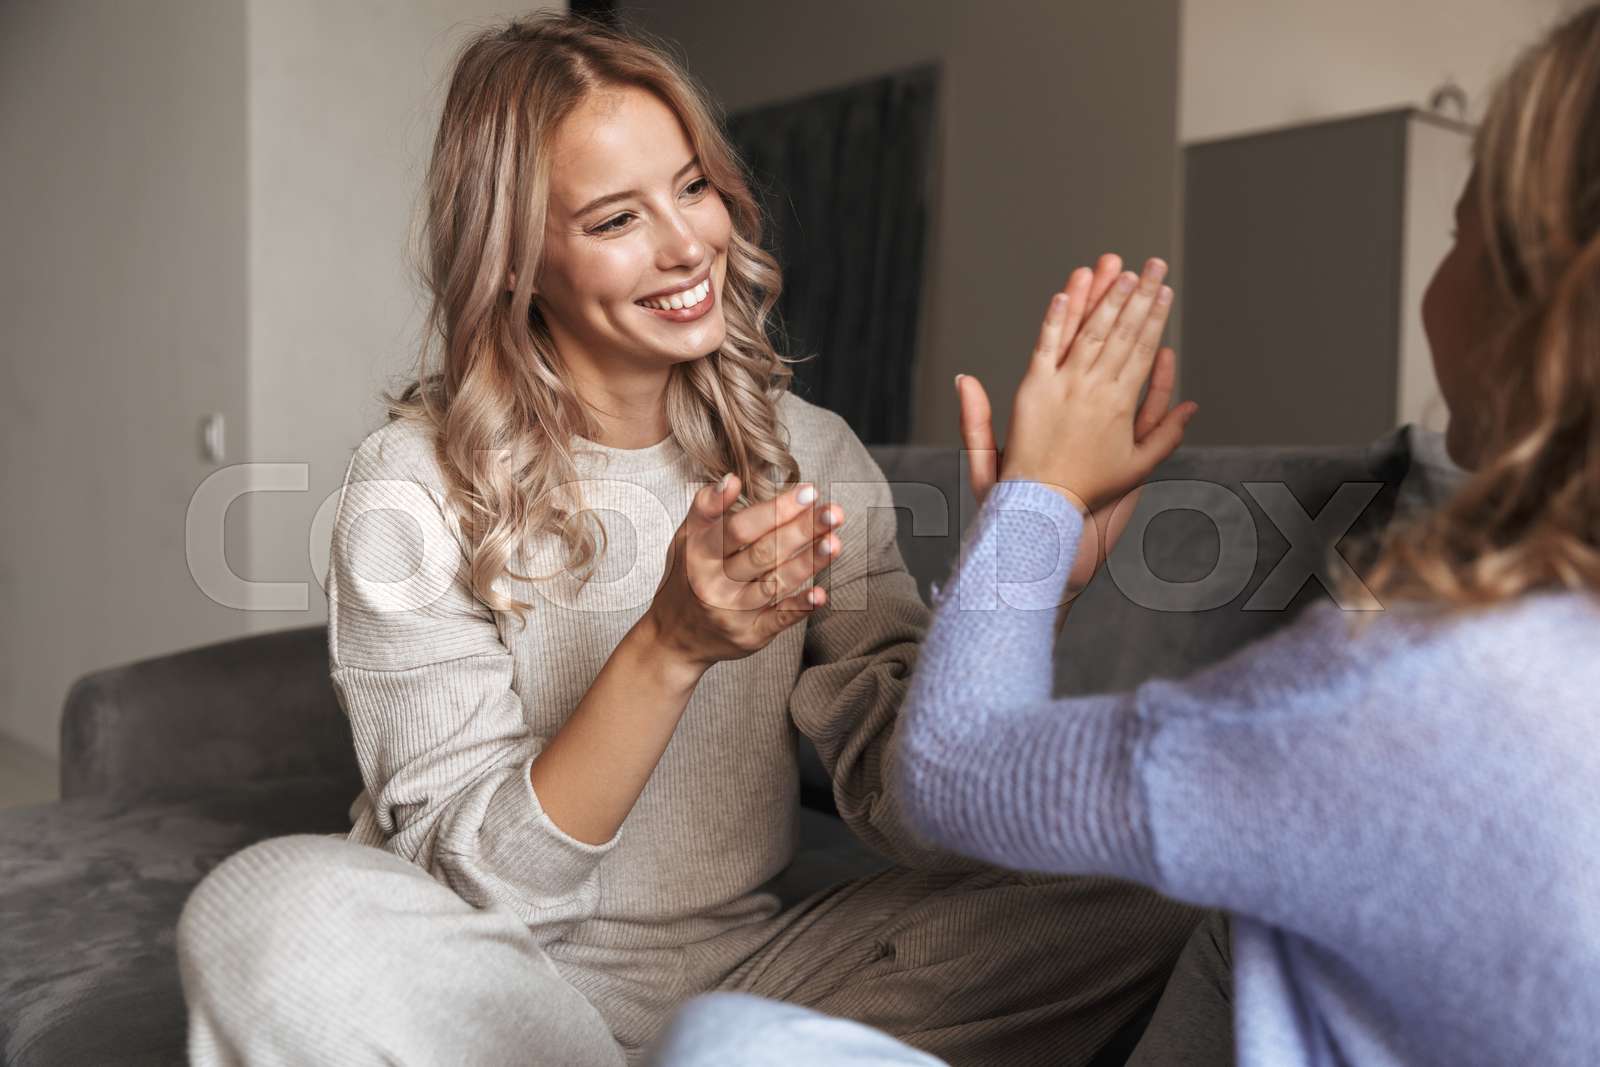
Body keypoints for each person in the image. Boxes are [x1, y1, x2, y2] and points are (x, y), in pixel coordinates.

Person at [172, 13, 1203, 1066]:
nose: (686, 245)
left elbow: (918, 812)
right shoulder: (409, 487)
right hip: (493, 989)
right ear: (518, 260)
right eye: (618, 217)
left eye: (694, 187)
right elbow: (474, 883)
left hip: (751, 979)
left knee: (1172, 855)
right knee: (268, 907)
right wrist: (668, 644)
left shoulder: (810, 454)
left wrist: (1022, 584)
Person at [650, 6, 1600, 1066]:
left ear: (1545, 302)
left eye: (1460, 232)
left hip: (829, 918)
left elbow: (950, 772)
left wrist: (1040, 502)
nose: (684, 240)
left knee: (730, 1042)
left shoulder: (1413, 690)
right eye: (612, 218)